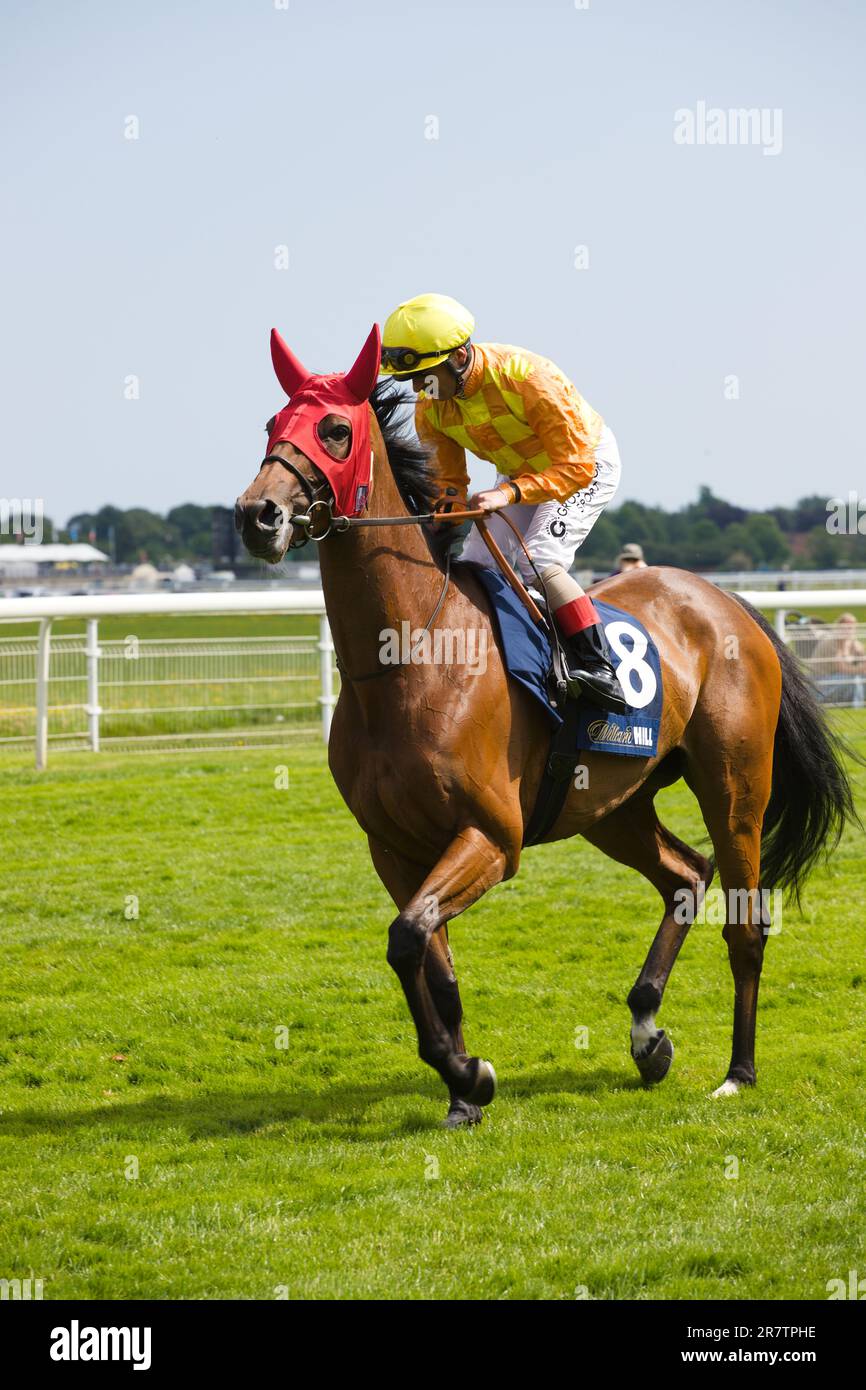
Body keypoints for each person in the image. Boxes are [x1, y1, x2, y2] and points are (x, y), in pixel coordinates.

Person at [379, 293, 627, 712]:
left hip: (582, 463)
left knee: (538, 561)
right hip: (521, 474)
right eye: (414, 379)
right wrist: (437, 519)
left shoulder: (530, 377)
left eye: (427, 376)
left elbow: (575, 467)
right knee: (476, 565)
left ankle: (599, 667)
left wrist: (507, 493)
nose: (420, 389)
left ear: (458, 357)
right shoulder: (433, 408)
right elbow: (450, 484)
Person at [811, 614, 866, 707]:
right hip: (821, 682)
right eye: (845, 628)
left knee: (859, 678)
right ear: (838, 628)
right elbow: (841, 668)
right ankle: (857, 706)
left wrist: (860, 653)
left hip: (837, 680)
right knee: (852, 678)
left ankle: (859, 704)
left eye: (851, 628)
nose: (848, 631)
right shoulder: (830, 642)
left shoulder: (854, 643)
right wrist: (861, 670)